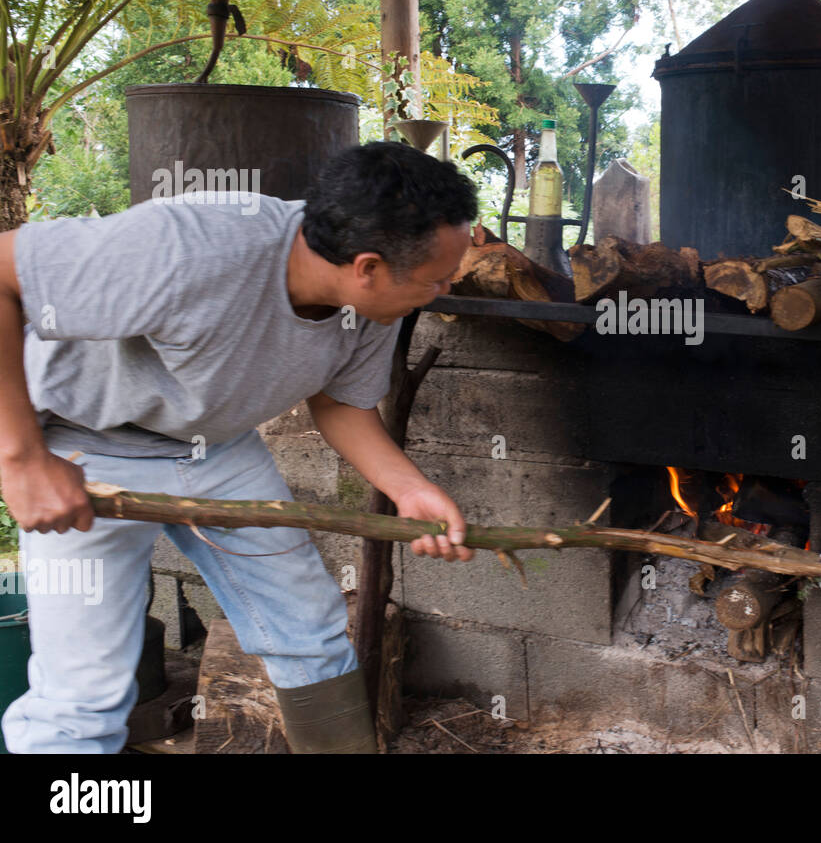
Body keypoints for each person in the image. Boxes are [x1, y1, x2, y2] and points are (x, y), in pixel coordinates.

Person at [0, 141, 477, 753]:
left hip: (218, 452)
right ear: (367, 266)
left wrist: (411, 488)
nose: (442, 290)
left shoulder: (369, 307)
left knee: (313, 633)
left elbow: (341, 404)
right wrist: (21, 460)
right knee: (82, 694)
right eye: (437, 280)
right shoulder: (188, 245)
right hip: (85, 449)